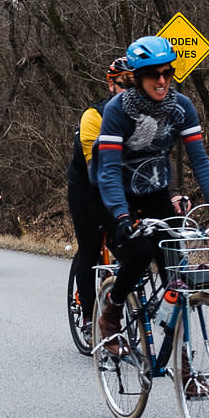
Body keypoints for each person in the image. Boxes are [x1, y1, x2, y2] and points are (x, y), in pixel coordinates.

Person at [93, 36, 209, 393]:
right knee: (140, 252)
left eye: (168, 73)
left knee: (178, 269)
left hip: (155, 192)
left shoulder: (181, 106)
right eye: (154, 75)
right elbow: (108, 170)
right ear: (138, 77)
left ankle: (183, 366)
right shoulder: (118, 110)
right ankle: (111, 312)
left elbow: (200, 160)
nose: (162, 81)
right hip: (117, 196)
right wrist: (122, 218)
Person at [66, 57, 134, 342]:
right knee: (91, 246)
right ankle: (87, 315)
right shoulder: (94, 116)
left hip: (123, 180)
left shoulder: (144, 113)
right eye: (124, 85)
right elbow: (99, 170)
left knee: (133, 246)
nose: (131, 92)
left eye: (136, 84)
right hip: (87, 185)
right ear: (110, 84)